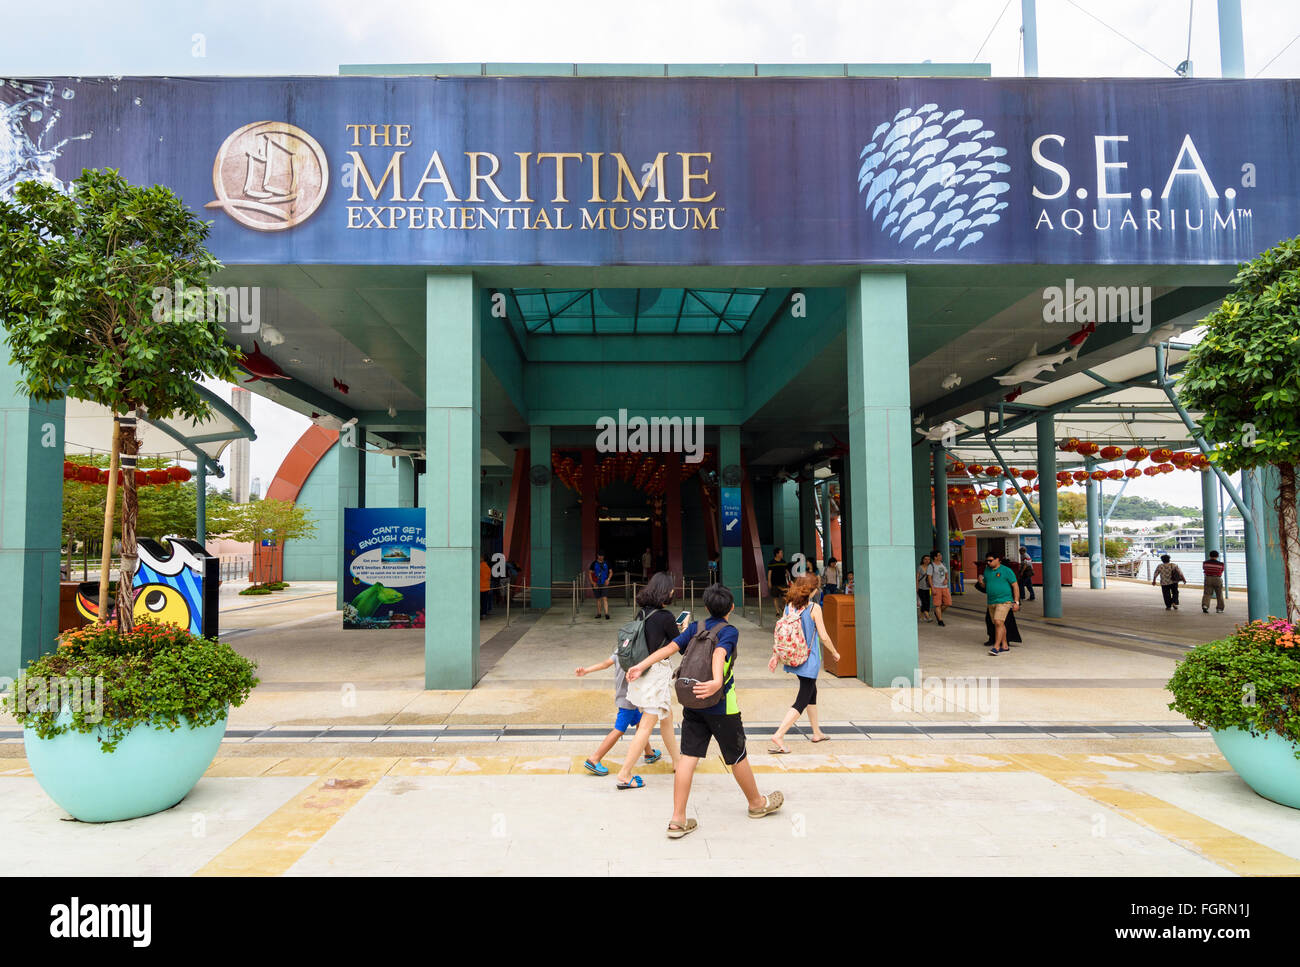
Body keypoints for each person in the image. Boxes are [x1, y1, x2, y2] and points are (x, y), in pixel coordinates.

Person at [629, 583, 783, 838]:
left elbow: (669, 648)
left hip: (693, 703)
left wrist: (641, 665)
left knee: (688, 757)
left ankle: (677, 820)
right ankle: (757, 803)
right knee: (736, 756)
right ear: (731, 608)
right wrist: (715, 682)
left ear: (706, 607)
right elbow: (720, 653)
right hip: (722, 706)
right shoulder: (729, 630)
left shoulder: (695, 627)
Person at [612, 573, 683, 789]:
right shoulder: (666, 617)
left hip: (642, 674)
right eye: (671, 589)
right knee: (646, 726)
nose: (673, 592)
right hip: (655, 676)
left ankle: (678, 762)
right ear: (665, 591)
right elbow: (678, 646)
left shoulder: (642, 613)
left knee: (667, 718)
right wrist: (685, 629)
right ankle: (624, 774)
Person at [767, 574, 841, 752]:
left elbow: (782, 633)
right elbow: (823, 636)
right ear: (813, 590)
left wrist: (775, 655)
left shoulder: (789, 606)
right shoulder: (814, 608)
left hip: (795, 657)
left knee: (811, 693)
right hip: (810, 659)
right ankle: (779, 734)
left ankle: (817, 732)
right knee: (802, 699)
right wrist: (835, 652)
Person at [574, 655, 663, 777]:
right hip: (629, 700)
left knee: (641, 724)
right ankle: (594, 759)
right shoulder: (639, 652)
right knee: (619, 730)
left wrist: (586, 671)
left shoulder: (620, 651)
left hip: (627, 698)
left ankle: (649, 753)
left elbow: (605, 664)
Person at [981, 550, 1020, 655]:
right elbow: (985, 585)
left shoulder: (1007, 571)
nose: (988, 563)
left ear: (998, 560)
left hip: (1005, 601)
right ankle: (1005, 645)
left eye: (990, 560)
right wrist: (981, 583)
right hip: (991, 601)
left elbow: (1015, 586)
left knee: (998, 622)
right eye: (987, 561)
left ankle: (996, 647)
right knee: (999, 624)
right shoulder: (987, 571)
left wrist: (1016, 602)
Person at [928, 552, 951, 627]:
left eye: (941, 555)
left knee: (948, 603)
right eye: (939, 555)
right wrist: (932, 588)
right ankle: (940, 620)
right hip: (936, 587)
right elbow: (929, 578)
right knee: (937, 604)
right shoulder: (931, 566)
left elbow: (946, 573)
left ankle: (937, 612)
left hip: (944, 587)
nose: (941, 556)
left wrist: (946, 579)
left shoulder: (943, 564)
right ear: (935, 557)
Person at [589, 551, 612, 620]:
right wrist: (592, 582)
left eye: (602, 556)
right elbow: (590, 573)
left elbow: (611, 572)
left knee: (605, 598)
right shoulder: (594, 563)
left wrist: (608, 579)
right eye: (600, 555)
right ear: (597, 556)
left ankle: (606, 614)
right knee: (598, 599)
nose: (601, 557)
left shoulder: (607, 563)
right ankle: (599, 613)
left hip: (604, 583)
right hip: (596, 583)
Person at [916, 554, 933, 622]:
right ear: (923, 560)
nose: (927, 560)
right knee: (924, 602)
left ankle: (921, 616)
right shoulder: (920, 567)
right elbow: (917, 578)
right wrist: (916, 586)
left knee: (927, 602)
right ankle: (928, 616)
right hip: (920, 587)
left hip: (927, 588)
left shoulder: (930, 567)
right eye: (925, 559)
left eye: (928, 559)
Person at [479, 553, 493, 618]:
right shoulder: (488, 567)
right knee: (484, 602)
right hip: (486, 587)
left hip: (480, 587)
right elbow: (489, 578)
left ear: (482, 558)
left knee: (479, 602)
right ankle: (483, 614)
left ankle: (480, 613)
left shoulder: (479, 566)